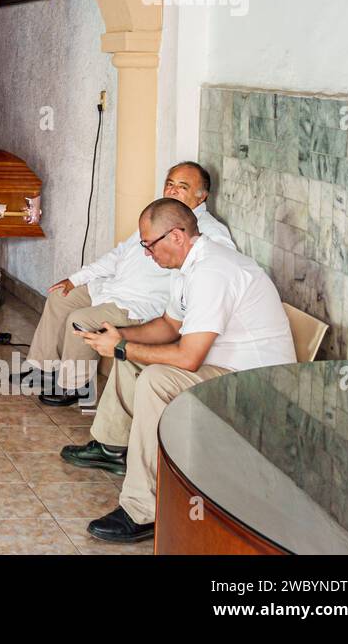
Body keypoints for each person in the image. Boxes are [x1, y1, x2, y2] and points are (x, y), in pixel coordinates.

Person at [65, 198, 297, 543]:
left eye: (149, 245)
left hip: (257, 384)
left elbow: (188, 358)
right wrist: (119, 337)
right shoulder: (187, 269)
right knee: (137, 359)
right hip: (225, 368)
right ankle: (113, 446)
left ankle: (144, 510)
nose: (146, 253)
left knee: (157, 379)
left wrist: (122, 348)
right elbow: (168, 326)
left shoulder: (213, 271)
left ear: (176, 236)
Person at [18, 161, 234, 405]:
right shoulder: (159, 216)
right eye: (169, 184)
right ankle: (42, 369)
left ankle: (74, 385)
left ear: (201, 196)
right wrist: (75, 279)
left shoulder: (211, 232)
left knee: (80, 318)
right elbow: (118, 255)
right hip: (114, 287)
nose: (172, 191)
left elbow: (218, 267)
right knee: (61, 296)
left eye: (182, 187)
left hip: (141, 304)